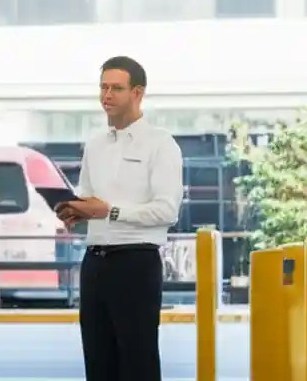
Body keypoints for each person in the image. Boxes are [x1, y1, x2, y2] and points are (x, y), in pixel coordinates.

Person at [56, 56, 183, 381]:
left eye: (116, 88)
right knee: (98, 362)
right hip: (95, 263)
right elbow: (88, 200)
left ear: (137, 93)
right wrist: (75, 211)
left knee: (137, 362)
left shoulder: (160, 144)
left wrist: (108, 211)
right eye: (103, 87)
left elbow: (167, 211)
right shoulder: (95, 146)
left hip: (136, 264)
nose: (106, 95)